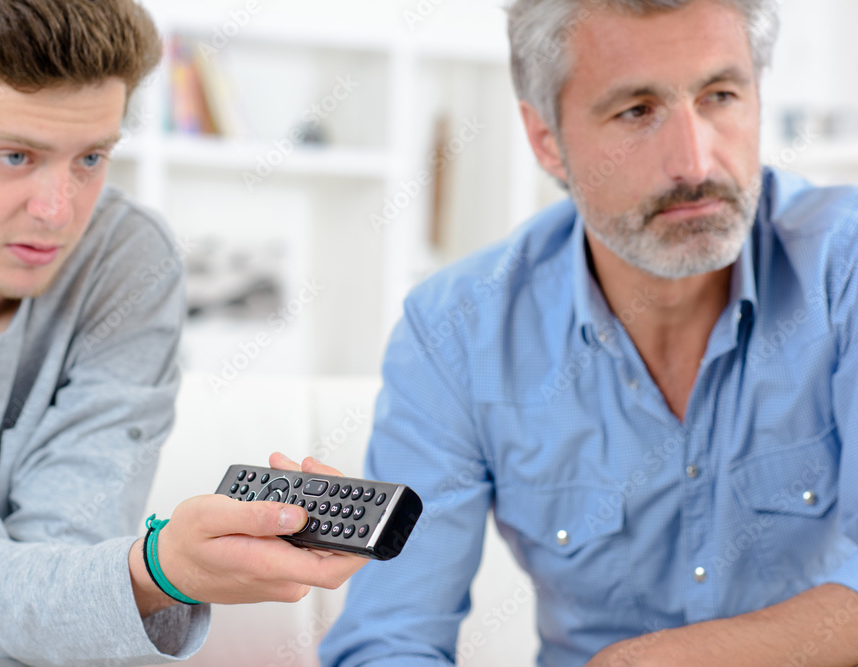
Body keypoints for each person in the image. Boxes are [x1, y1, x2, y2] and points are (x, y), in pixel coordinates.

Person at [320, 0, 858, 665]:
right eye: (636, 111)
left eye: (720, 95)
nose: (693, 161)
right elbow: (391, 636)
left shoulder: (846, 268)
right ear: (547, 138)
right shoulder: (456, 330)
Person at [0, 1, 363, 664]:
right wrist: (156, 570)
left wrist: (147, 573)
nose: (57, 211)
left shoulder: (127, 262)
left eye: (91, 157)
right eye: (15, 155)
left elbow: (58, 559)